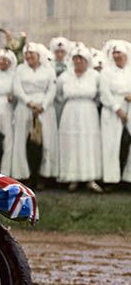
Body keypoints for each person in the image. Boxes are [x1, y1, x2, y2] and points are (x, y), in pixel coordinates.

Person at [56, 44, 103, 192]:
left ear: (87, 60)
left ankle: (90, 178)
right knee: (71, 143)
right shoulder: (64, 76)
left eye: (81, 59)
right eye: (75, 59)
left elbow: (99, 96)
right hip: (70, 113)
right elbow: (59, 95)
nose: (78, 61)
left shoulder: (95, 76)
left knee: (88, 143)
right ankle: (73, 178)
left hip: (89, 113)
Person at [11, 43, 58, 185]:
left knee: (44, 142)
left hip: (44, 110)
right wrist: (28, 102)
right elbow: (17, 88)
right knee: (23, 142)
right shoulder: (20, 69)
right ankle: (25, 174)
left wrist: (43, 105)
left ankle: (42, 175)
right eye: (27, 54)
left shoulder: (49, 70)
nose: (29, 56)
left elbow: (52, 90)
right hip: (25, 108)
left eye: (32, 54)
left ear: (39, 56)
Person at [99, 40, 131, 186]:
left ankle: (128, 178)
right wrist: (117, 109)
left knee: (127, 143)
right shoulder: (106, 72)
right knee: (111, 144)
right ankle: (111, 180)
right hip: (112, 111)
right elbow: (104, 93)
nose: (117, 56)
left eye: (120, 53)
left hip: (129, 107)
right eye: (115, 53)